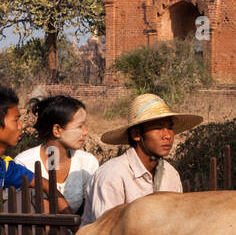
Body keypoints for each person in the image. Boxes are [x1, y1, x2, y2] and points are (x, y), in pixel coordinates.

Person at [81, 92, 202, 225]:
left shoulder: (170, 174)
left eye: (170, 128)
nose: (167, 135)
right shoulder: (113, 175)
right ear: (136, 134)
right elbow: (107, 231)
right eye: (158, 128)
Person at [13, 94, 98, 213]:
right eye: (79, 126)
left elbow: (89, 211)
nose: (85, 132)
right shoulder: (25, 163)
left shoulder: (87, 163)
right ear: (57, 130)